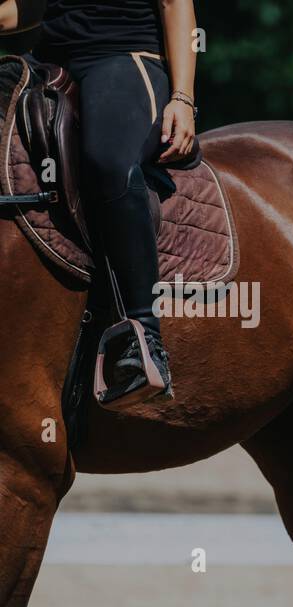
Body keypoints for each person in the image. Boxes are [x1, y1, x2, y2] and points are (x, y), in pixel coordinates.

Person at [28, 0, 199, 404]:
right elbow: (24, 11)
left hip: (124, 57)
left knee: (108, 162)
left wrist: (183, 98)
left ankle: (141, 338)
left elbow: (176, 4)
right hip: (45, 64)